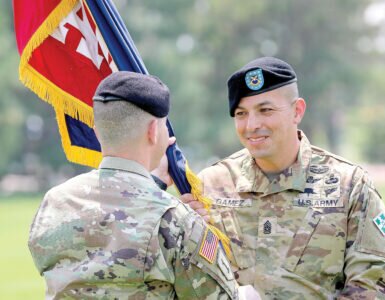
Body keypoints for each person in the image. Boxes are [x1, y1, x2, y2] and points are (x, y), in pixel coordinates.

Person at [174, 57, 385, 299]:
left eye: (265, 110)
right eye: (241, 113)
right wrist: (187, 237)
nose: (252, 125)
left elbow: (374, 288)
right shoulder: (210, 186)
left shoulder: (350, 186)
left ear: (297, 111)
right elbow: (190, 283)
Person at [28, 71, 246, 299]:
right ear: (153, 131)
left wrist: (155, 184)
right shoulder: (175, 218)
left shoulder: (54, 202)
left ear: (97, 133)